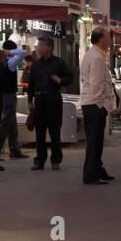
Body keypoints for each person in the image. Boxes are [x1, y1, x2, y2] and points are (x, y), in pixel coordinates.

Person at [28, 36, 72, 170]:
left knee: (54, 131)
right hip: (40, 100)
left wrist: (60, 80)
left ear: (49, 47)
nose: (39, 48)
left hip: (53, 99)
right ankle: (39, 160)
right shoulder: (36, 64)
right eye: (38, 46)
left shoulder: (59, 63)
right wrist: (30, 100)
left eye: (41, 45)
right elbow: (31, 84)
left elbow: (70, 77)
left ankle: (56, 160)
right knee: (39, 132)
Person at [79, 27, 117, 184]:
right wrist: (101, 105)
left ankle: (97, 170)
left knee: (95, 140)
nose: (110, 40)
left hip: (90, 104)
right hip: (95, 105)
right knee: (95, 141)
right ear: (101, 38)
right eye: (108, 37)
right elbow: (96, 84)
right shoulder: (96, 57)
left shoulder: (92, 54)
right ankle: (91, 175)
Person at [0, 40, 28, 160]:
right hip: (8, 96)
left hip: (3, 95)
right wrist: (9, 51)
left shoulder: (0, 60)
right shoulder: (10, 62)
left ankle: (14, 149)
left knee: (12, 124)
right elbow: (23, 52)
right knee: (5, 124)